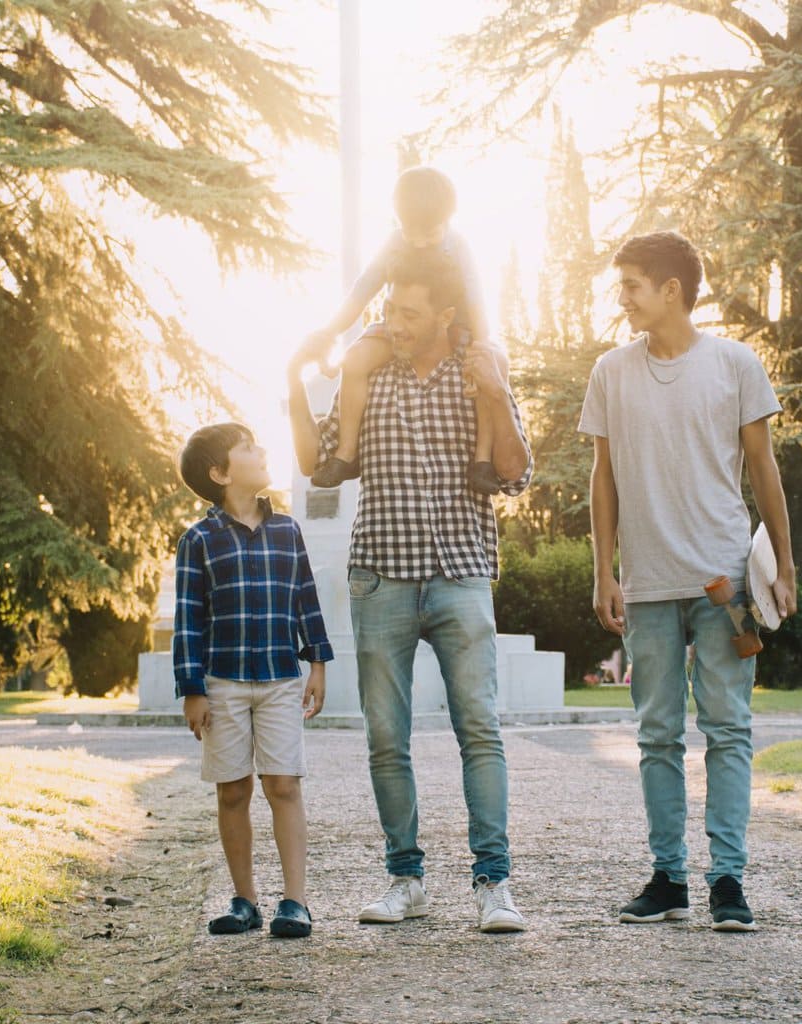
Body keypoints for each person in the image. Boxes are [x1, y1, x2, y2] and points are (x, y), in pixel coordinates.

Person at [287, 246, 534, 934]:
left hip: (460, 573)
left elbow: (516, 473)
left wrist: (494, 392)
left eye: (407, 311)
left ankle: (494, 884)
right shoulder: (369, 375)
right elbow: (322, 460)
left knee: (479, 731)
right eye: (389, 308)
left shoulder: (478, 370)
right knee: (386, 738)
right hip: (380, 577)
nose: (393, 321)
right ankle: (406, 878)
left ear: (444, 314)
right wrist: (294, 381)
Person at [579, 230, 798, 932]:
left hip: (725, 586)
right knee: (657, 734)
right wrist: (603, 570)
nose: (624, 300)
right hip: (645, 587)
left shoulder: (735, 364)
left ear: (671, 289)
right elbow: (602, 478)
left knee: (729, 730)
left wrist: (785, 565)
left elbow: (764, 470)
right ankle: (668, 877)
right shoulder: (612, 371)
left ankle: (728, 880)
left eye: (633, 286)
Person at [172, 423, 334, 938]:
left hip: (282, 679)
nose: (261, 450)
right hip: (223, 683)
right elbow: (188, 619)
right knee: (233, 792)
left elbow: (306, 599)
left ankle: (295, 902)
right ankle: (245, 900)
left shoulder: (287, 530)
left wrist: (319, 664)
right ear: (220, 473)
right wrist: (192, 689)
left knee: (283, 785)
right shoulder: (198, 541)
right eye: (248, 448)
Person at [301, 165, 506, 494]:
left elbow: (477, 301)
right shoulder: (394, 243)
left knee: (488, 369)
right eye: (412, 232)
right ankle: (346, 452)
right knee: (353, 361)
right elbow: (362, 291)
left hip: (459, 324)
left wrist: (481, 351)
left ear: (448, 219)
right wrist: (329, 332)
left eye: (430, 233)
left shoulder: (458, 245)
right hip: (405, 321)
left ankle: (482, 461)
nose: (420, 241)